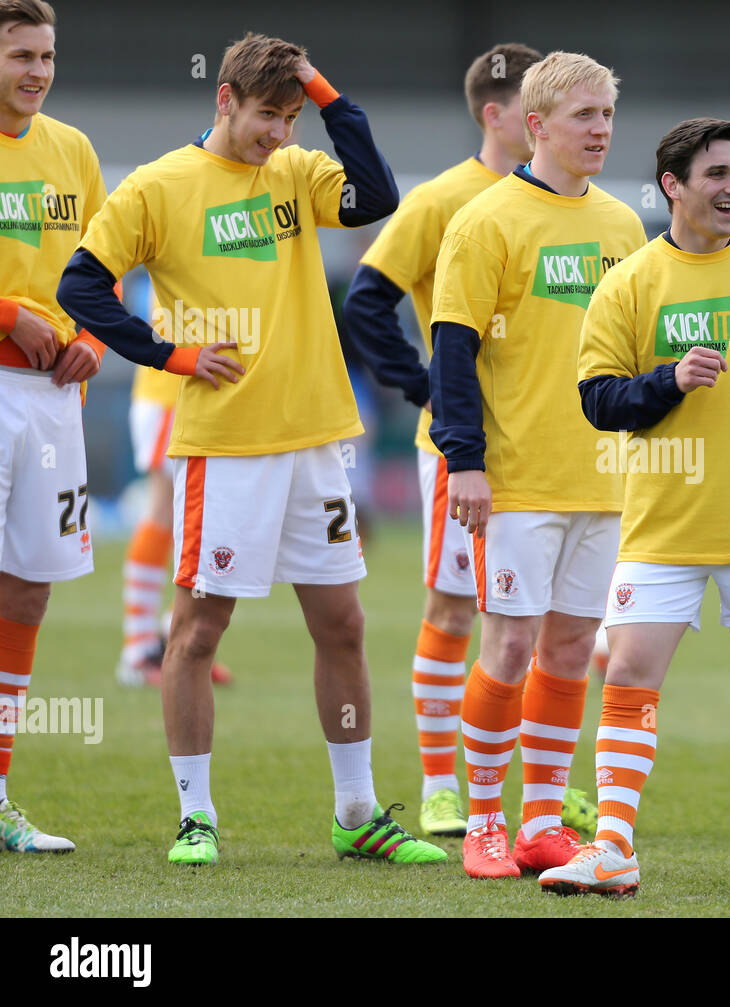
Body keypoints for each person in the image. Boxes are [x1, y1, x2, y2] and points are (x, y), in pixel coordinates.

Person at [58, 32, 445, 867]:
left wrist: (323, 90)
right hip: (225, 446)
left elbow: (375, 192)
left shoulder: (298, 174)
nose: (280, 133)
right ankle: (196, 816)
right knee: (198, 632)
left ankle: (357, 811)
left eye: (292, 117)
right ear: (224, 98)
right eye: (268, 115)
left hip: (317, 441)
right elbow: (80, 285)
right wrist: (171, 355)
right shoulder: (158, 187)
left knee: (342, 624)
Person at [539, 117, 730, 898]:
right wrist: (667, 382)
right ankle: (612, 846)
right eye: (718, 174)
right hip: (662, 524)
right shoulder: (632, 282)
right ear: (674, 185)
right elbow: (598, 401)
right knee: (631, 674)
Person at [344, 42, 594, 838]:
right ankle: (444, 781)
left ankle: (542, 790)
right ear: (500, 114)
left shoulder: (588, 209)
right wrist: (426, 388)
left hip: (563, 452)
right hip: (466, 450)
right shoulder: (442, 201)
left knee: (550, 624)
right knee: (459, 609)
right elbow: (367, 301)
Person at [427, 51, 645, 878]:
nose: (600, 130)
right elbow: (453, 350)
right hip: (515, 477)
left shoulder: (623, 225)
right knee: (508, 645)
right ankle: (484, 818)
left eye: (608, 115)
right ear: (534, 124)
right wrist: (466, 462)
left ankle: (542, 821)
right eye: (584, 116)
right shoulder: (487, 219)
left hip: (602, 476)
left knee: (569, 648)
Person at [0, 0, 106, 853]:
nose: (36, 71)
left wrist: (92, 340)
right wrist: (8, 313)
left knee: (29, 587)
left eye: (46, 55)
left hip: (50, 398)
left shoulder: (72, 149)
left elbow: (97, 272)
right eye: (20, 55)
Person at [117, 277, 233, 688]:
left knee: (212, 521)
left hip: (190, 392)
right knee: (167, 511)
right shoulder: (173, 231)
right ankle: (139, 649)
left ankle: (172, 639)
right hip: (172, 394)